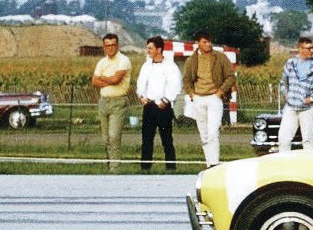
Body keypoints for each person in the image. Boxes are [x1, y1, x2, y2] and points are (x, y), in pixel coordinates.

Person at [180, 32, 237, 167]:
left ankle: (215, 163)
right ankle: (209, 163)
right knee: (204, 134)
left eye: (210, 41)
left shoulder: (220, 57)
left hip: (214, 98)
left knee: (213, 131)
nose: (208, 44)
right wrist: (192, 95)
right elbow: (186, 80)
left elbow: (230, 77)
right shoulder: (191, 60)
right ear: (197, 43)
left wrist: (220, 92)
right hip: (198, 98)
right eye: (205, 42)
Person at [136, 36, 183, 171]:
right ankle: (145, 167)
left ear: (159, 49)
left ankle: (171, 167)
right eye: (147, 48)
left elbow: (176, 85)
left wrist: (166, 100)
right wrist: (141, 97)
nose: (148, 50)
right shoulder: (146, 66)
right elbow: (141, 83)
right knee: (147, 139)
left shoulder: (170, 67)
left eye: (150, 48)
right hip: (149, 106)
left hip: (163, 107)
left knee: (166, 139)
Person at [277, 36, 313, 152]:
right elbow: (283, 82)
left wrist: (311, 98)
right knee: (284, 138)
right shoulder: (291, 63)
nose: (312, 51)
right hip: (291, 107)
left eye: (312, 48)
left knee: (307, 140)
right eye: (308, 48)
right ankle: (284, 164)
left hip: (308, 108)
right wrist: (286, 95)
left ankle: (308, 166)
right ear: (300, 49)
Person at [89, 33, 133, 168]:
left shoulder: (123, 60)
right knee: (105, 138)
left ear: (117, 45)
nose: (110, 48)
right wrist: (109, 80)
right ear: (104, 47)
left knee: (114, 136)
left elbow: (116, 79)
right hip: (103, 101)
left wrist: (104, 78)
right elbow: (94, 81)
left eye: (113, 45)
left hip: (118, 102)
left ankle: (115, 168)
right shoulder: (102, 62)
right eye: (107, 45)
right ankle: (108, 165)